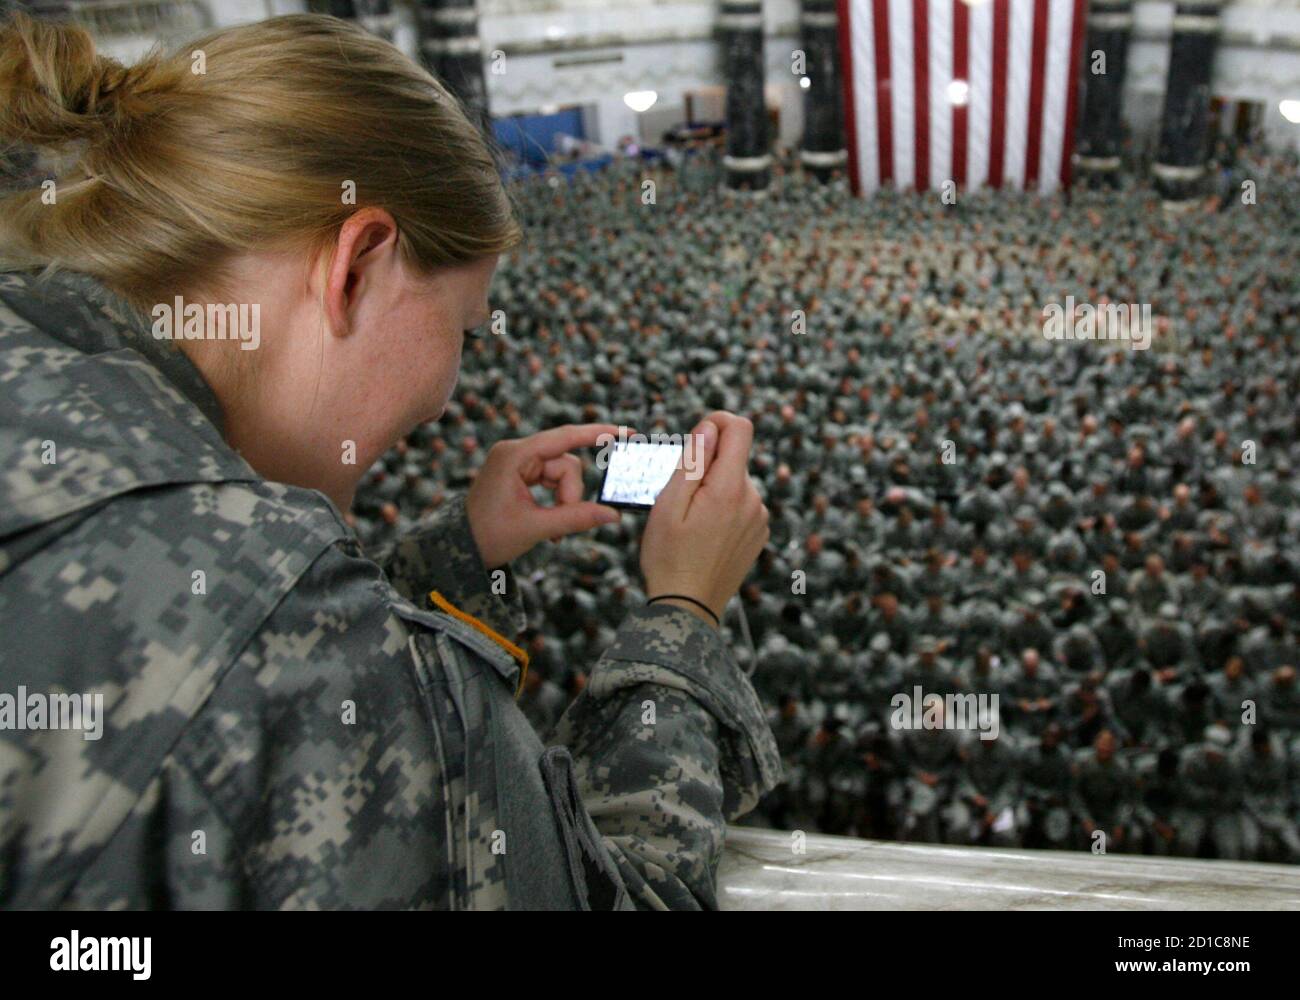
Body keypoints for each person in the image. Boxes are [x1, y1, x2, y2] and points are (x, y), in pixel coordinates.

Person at [0, 13, 778, 909]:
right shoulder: (287, 639)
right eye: (464, 329)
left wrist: (459, 553)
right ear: (357, 267)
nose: (449, 393)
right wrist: (683, 612)